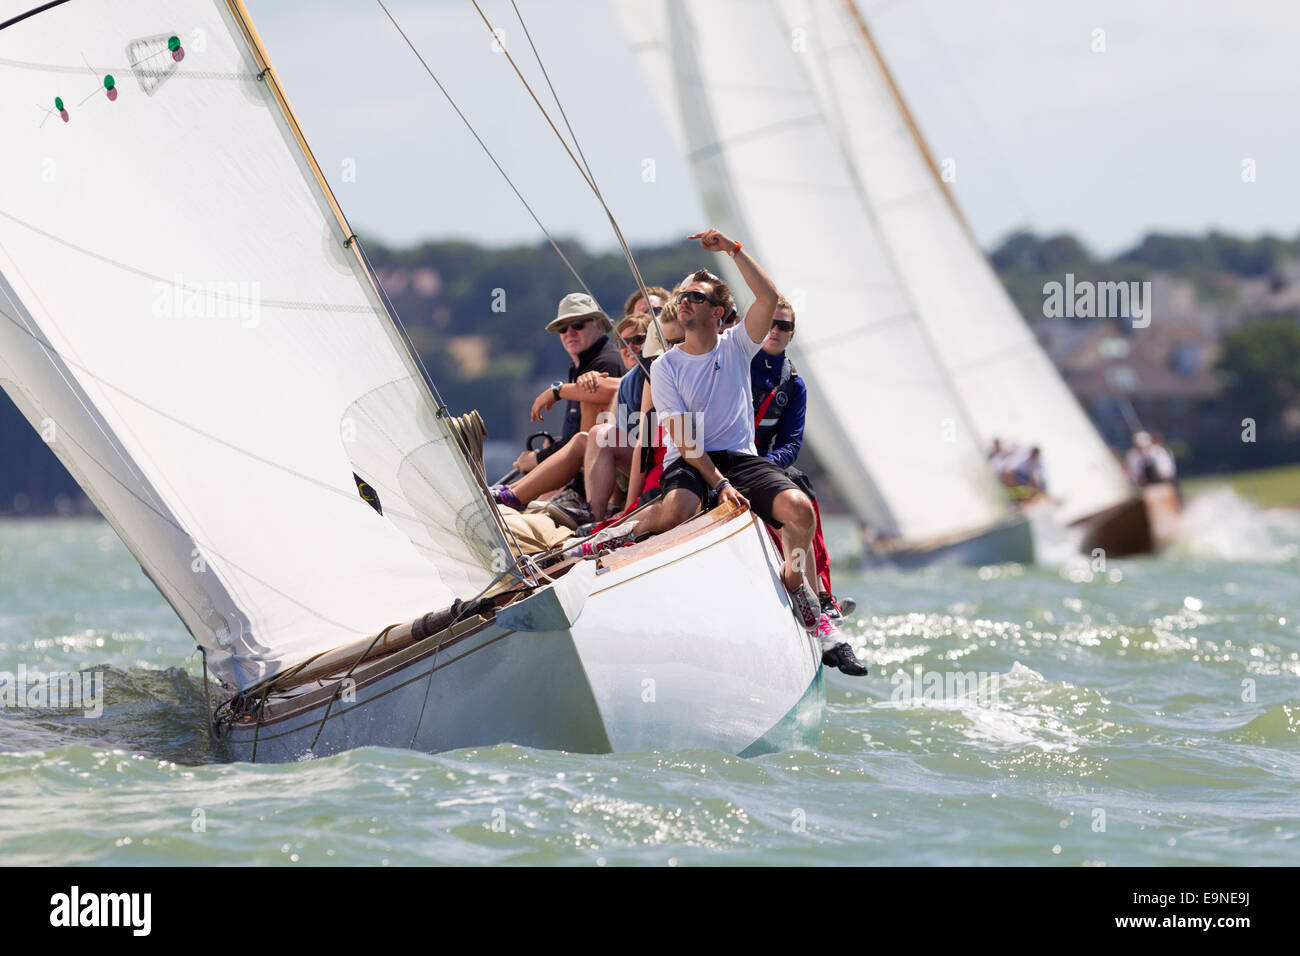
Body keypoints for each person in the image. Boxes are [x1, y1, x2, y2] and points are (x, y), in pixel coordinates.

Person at [639, 229, 867, 676]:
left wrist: (732, 250)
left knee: (799, 509)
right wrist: (720, 486)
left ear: (719, 313)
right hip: (691, 459)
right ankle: (637, 524)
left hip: (741, 457)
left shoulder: (738, 346)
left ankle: (798, 585)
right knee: (680, 509)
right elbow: (684, 441)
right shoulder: (665, 366)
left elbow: (769, 296)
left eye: (696, 297)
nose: (684, 300)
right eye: (682, 295)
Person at [751, 296, 854, 622]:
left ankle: (821, 593)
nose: (776, 330)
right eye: (771, 323)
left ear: (792, 334)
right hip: (729, 459)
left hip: (766, 464)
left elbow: (791, 443)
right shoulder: (737, 362)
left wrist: (767, 467)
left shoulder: (793, 385)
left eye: (784, 326)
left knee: (802, 492)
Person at [490, 293, 623, 510]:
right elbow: (576, 438)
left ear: (599, 325)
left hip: (598, 483)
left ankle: (507, 495)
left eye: (578, 325)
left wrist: (538, 458)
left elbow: (586, 438)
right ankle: (506, 494)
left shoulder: (605, 363)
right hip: (585, 474)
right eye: (563, 328)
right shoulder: (585, 367)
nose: (569, 333)